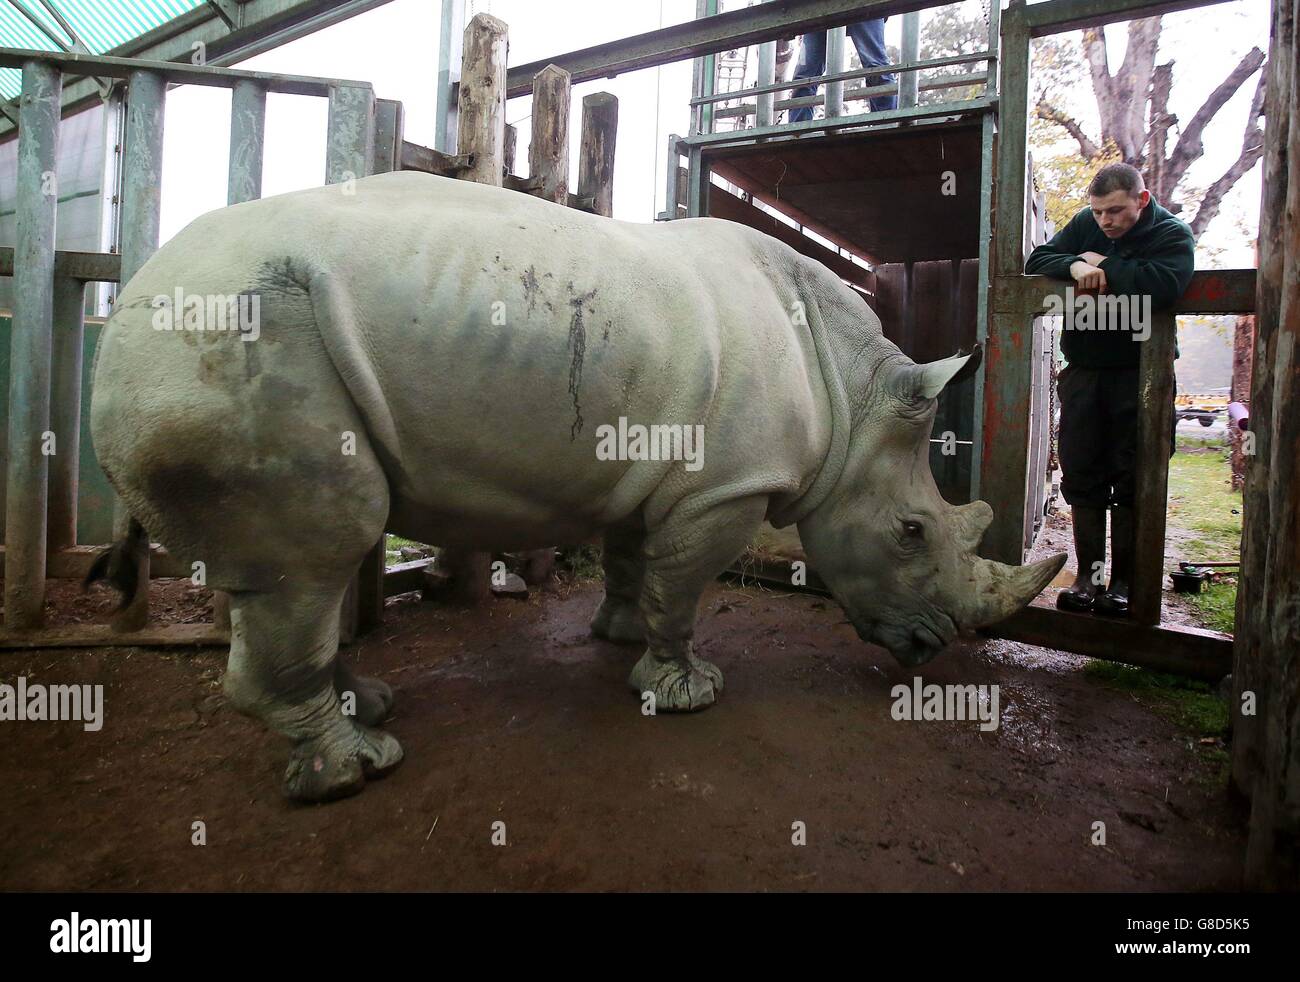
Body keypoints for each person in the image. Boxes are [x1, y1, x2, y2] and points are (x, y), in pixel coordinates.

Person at [1024, 162, 1195, 617]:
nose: (1105, 222)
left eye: (1115, 211)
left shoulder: (1172, 233)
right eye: (1098, 213)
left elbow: (1165, 283)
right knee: (1082, 476)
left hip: (1141, 376)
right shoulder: (1085, 224)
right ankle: (1088, 578)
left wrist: (1106, 265)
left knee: (1134, 478)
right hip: (1085, 371)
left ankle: (1123, 584)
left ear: (1141, 200)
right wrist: (1078, 262)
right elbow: (1037, 260)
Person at [788, 19, 896, 122]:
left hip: (864, 5)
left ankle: (888, 122)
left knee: (876, 67)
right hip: (817, 10)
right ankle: (797, 133)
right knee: (803, 78)